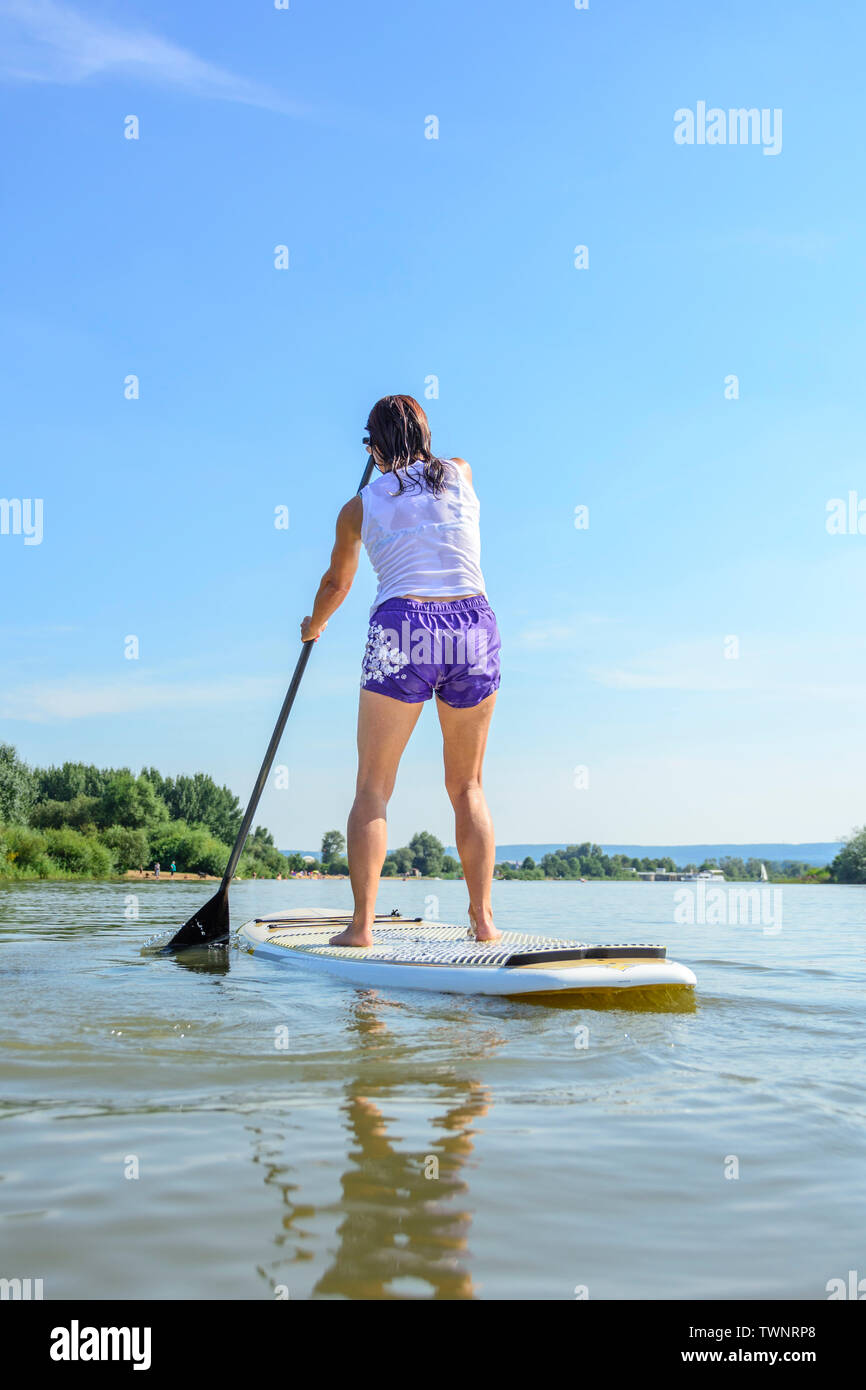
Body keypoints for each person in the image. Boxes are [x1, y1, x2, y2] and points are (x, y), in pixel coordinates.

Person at [301, 395, 501, 947]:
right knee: (468, 785)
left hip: (404, 624)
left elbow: (337, 585)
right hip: (473, 626)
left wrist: (313, 626)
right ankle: (483, 922)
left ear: (372, 447)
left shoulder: (357, 508)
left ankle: (361, 928)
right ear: (427, 433)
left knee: (373, 787)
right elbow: (426, 471)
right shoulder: (460, 473)